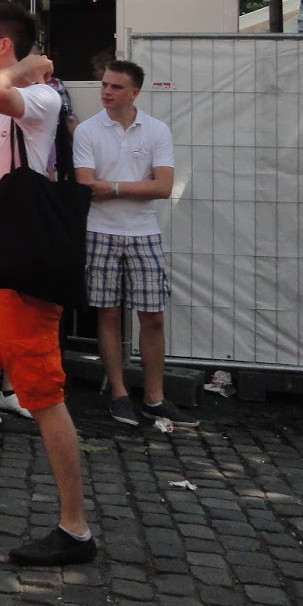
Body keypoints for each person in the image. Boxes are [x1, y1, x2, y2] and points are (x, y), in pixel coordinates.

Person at [0, 0, 98, 567]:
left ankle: (75, 529)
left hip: (19, 270)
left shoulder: (40, 96)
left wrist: (27, 68)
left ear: (5, 46)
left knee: (42, 396)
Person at [73, 59, 192, 427]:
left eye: (116, 87)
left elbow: (164, 187)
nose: (106, 92)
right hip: (100, 230)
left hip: (143, 231)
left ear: (135, 93)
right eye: (104, 85)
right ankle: (119, 393)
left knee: (152, 316)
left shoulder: (156, 130)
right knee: (107, 313)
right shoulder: (88, 130)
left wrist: (113, 187)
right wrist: (135, 187)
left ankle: (155, 397)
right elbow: (86, 185)